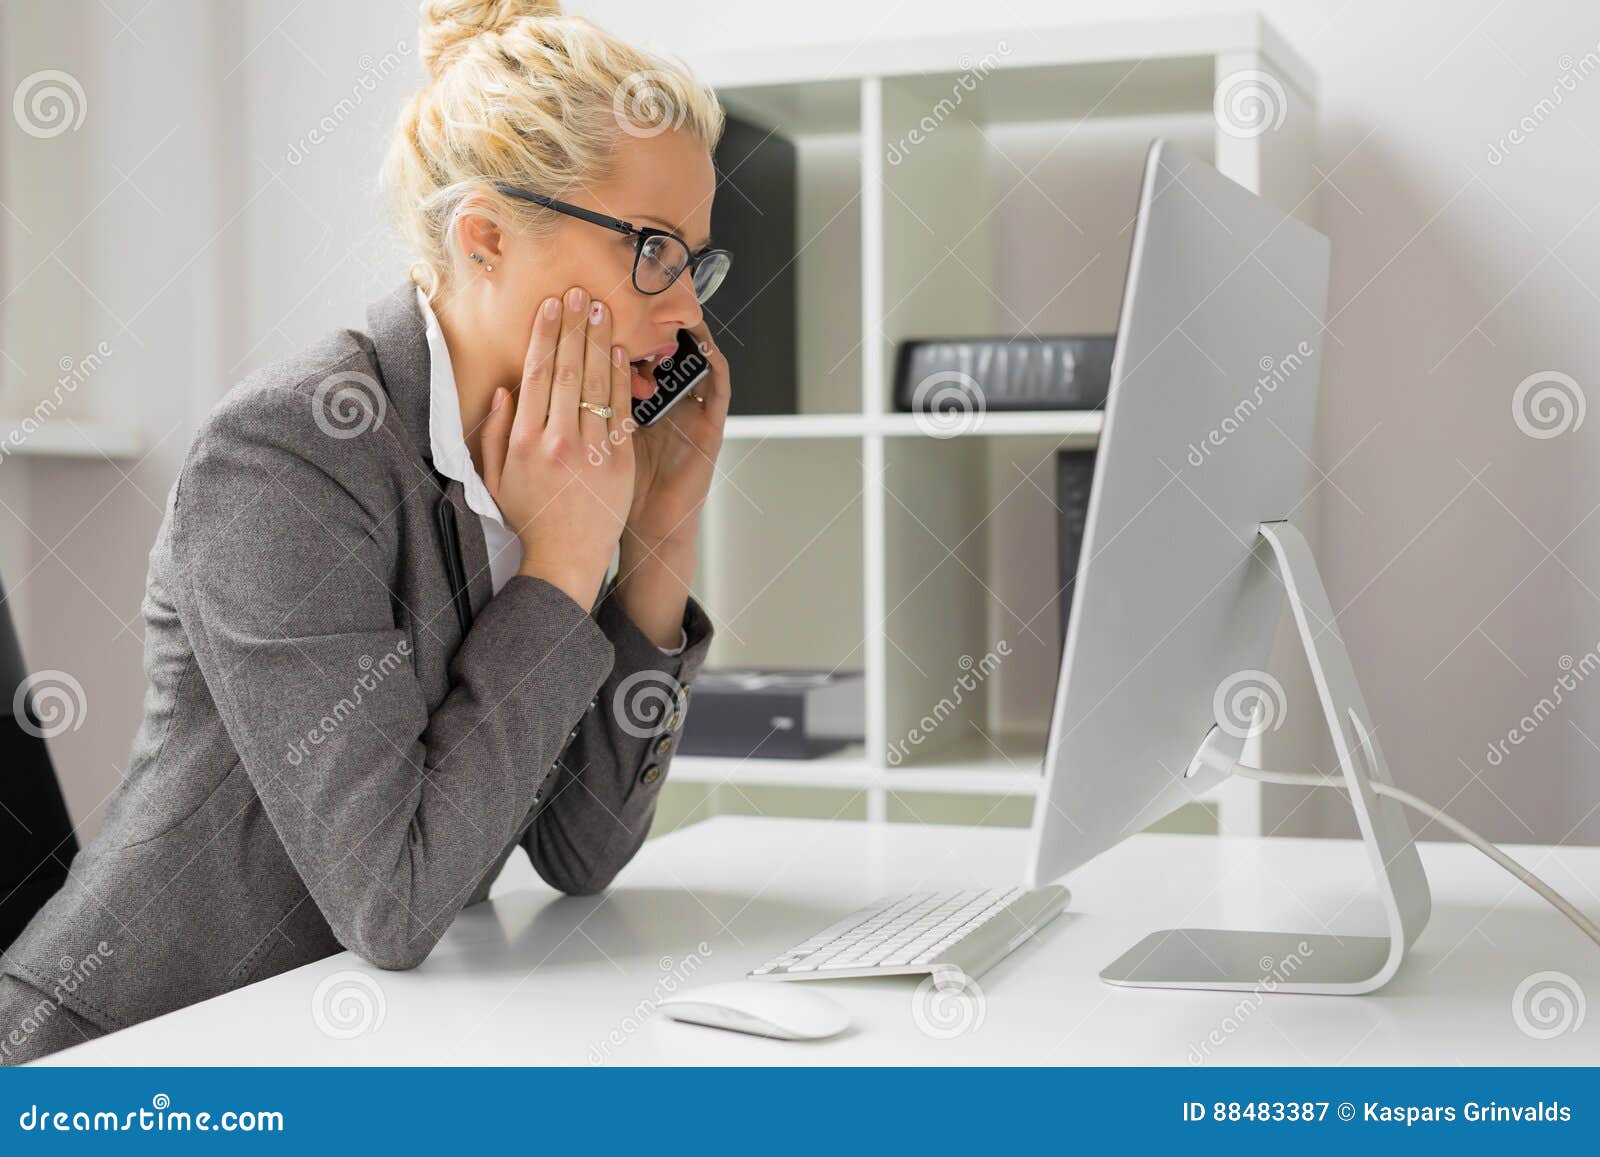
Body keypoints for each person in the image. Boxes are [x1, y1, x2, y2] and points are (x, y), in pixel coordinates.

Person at [0, 0, 730, 1065]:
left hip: (335, 1036)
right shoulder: (288, 451)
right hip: (126, 1054)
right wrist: (568, 562)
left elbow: (581, 851)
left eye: (696, 262)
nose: (687, 315)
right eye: (653, 250)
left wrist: (658, 529)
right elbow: (395, 900)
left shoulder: (548, 459)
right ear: (485, 236)